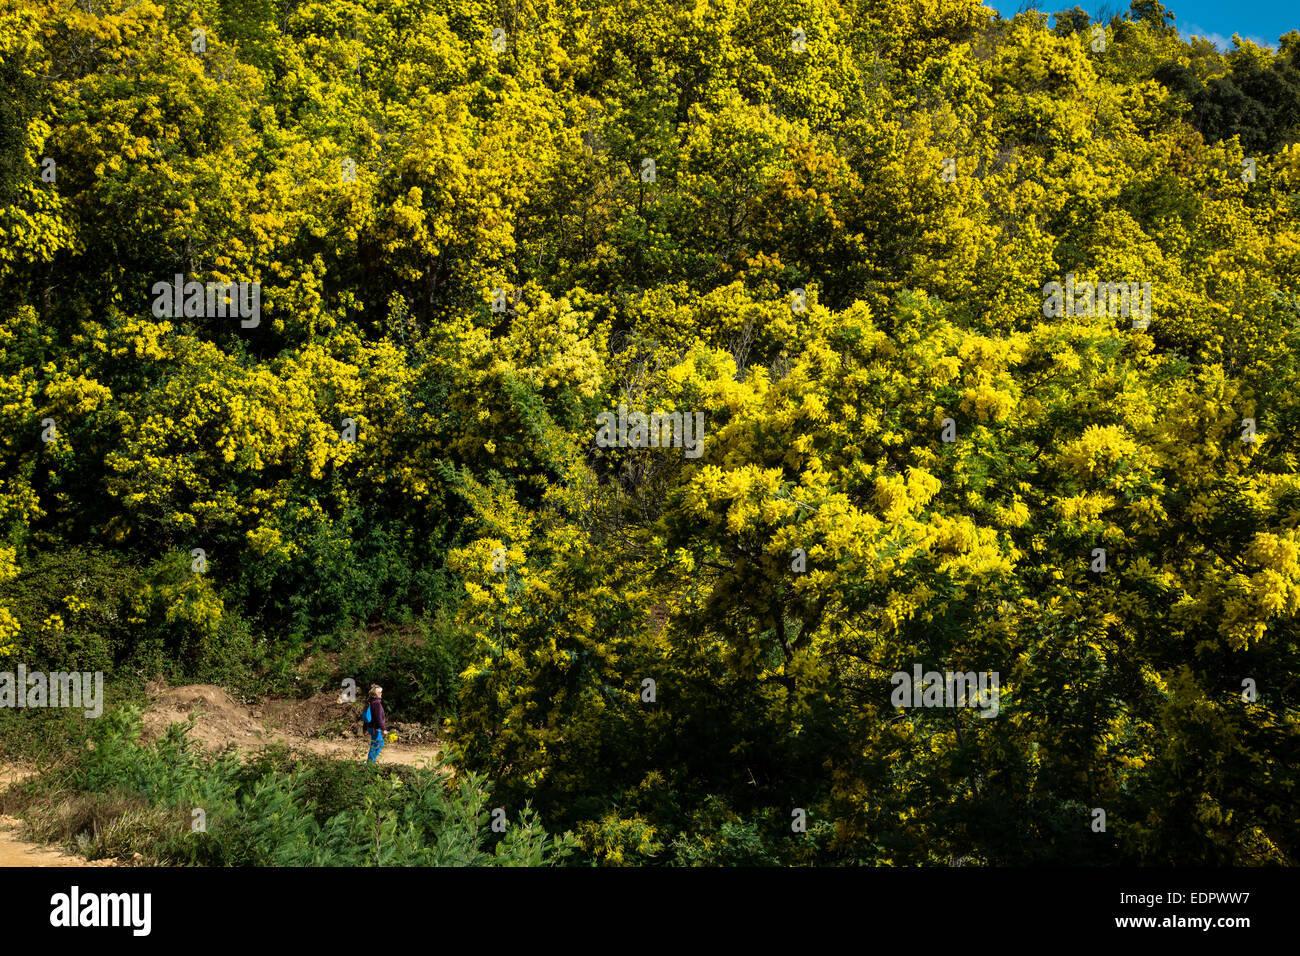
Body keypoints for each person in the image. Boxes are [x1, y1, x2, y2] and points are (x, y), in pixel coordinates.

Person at [365, 685, 387, 764]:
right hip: (375, 728)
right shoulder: (376, 704)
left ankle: (371, 762)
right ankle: (370, 763)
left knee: (378, 743)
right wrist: (383, 728)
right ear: (377, 694)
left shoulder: (370, 702)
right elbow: (378, 718)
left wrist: (364, 728)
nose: (381, 694)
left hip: (371, 727)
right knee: (377, 744)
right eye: (380, 692)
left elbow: (366, 717)